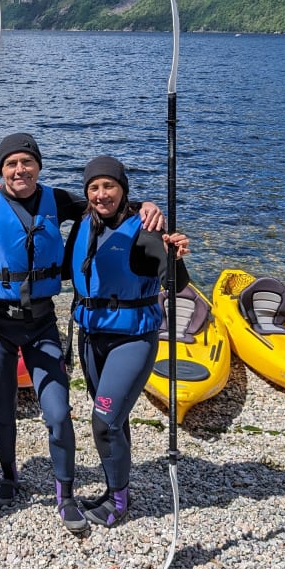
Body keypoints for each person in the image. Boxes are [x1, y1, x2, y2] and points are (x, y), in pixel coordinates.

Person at [0, 133, 164, 533]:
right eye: (11, 164)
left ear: (38, 167)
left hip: (42, 323)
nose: (19, 170)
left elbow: (106, 205)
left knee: (59, 415)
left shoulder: (59, 200)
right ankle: (10, 477)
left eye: (27, 162)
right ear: (1, 170)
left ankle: (64, 496)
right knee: (3, 409)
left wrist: (145, 205)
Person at [65, 155, 190, 527]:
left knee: (103, 422)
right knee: (114, 421)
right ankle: (114, 485)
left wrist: (176, 255)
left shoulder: (145, 228)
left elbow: (175, 283)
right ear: (87, 193)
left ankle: (119, 500)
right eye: (94, 187)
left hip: (132, 339)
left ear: (123, 190)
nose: (102, 194)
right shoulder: (82, 224)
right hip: (91, 337)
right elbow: (37, 198)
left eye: (110, 186)